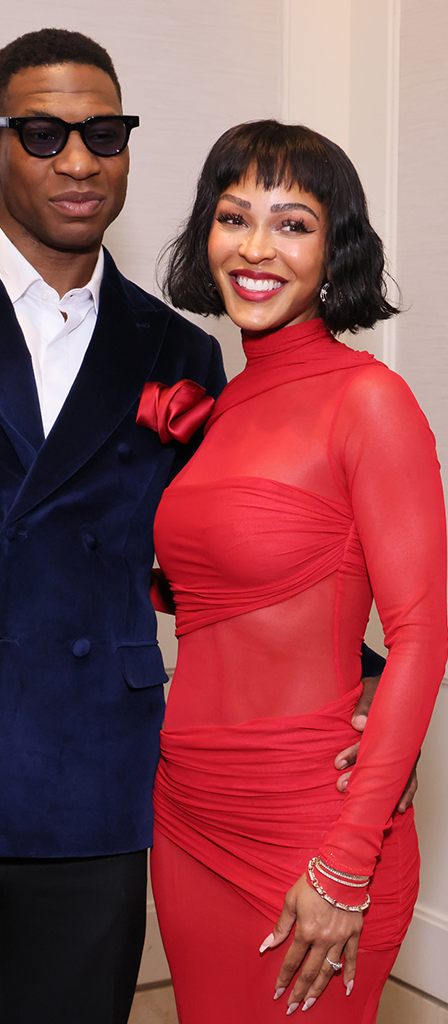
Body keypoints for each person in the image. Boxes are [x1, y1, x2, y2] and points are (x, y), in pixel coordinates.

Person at [0, 32, 394, 1024]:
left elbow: (211, 556)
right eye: (43, 134)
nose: (78, 161)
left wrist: (363, 680)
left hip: (91, 787)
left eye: (103, 134)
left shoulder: (175, 349)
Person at [142, 120, 447, 1023]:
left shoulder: (370, 400)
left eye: (292, 224)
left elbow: (424, 633)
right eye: (235, 217)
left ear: (334, 248)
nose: (256, 248)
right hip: (186, 807)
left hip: (312, 826)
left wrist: (349, 861)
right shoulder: (223, 404)